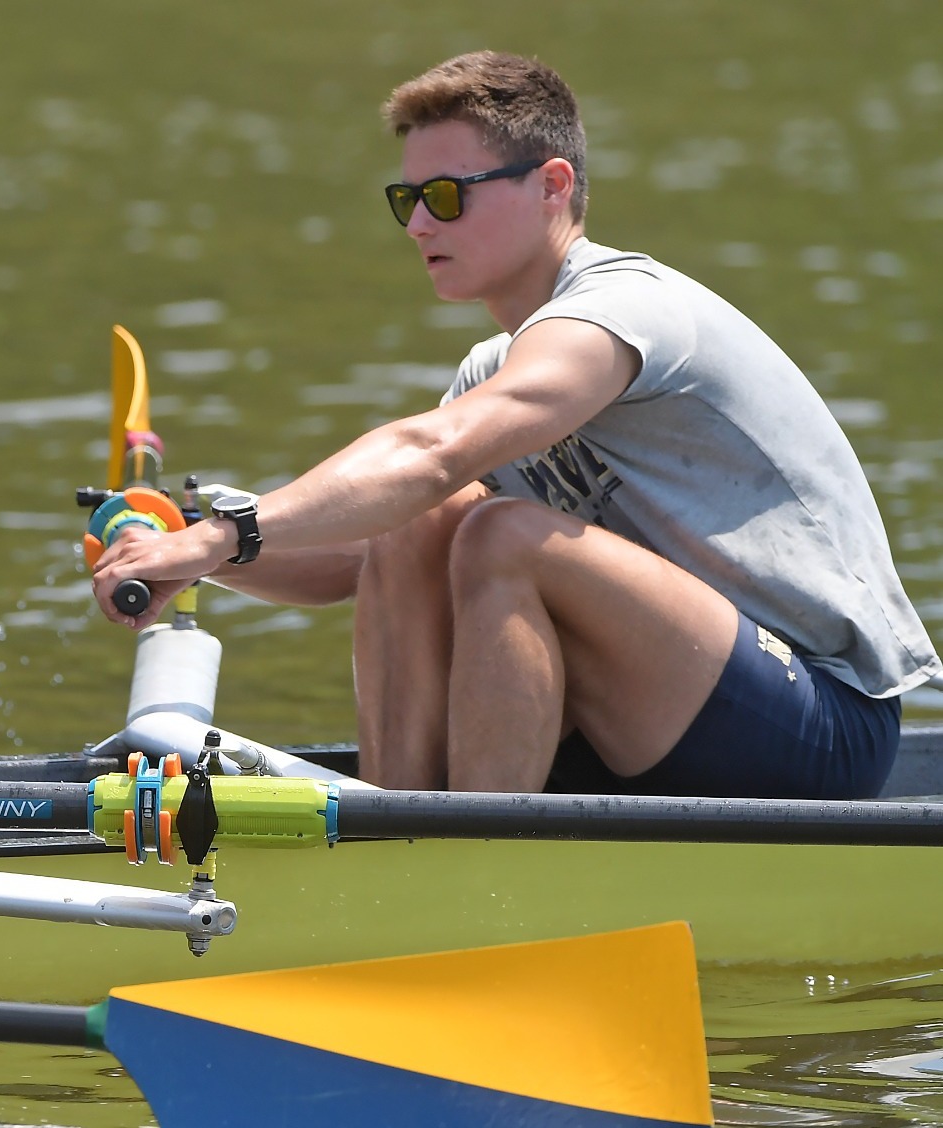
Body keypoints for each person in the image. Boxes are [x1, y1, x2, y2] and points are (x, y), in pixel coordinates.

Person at [91, 51, 936, 798]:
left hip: (820, 726)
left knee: (498, 533)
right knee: (424, 514)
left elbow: (428, 451)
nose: (420, 223)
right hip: (651, 711)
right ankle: (400, 833)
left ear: (552, 186)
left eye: (448, 195)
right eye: (408, 199)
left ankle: (471, 866)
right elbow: (362, 553)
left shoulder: (625, 313)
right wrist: (178, 539)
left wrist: (224, 535)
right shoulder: (491, 371)